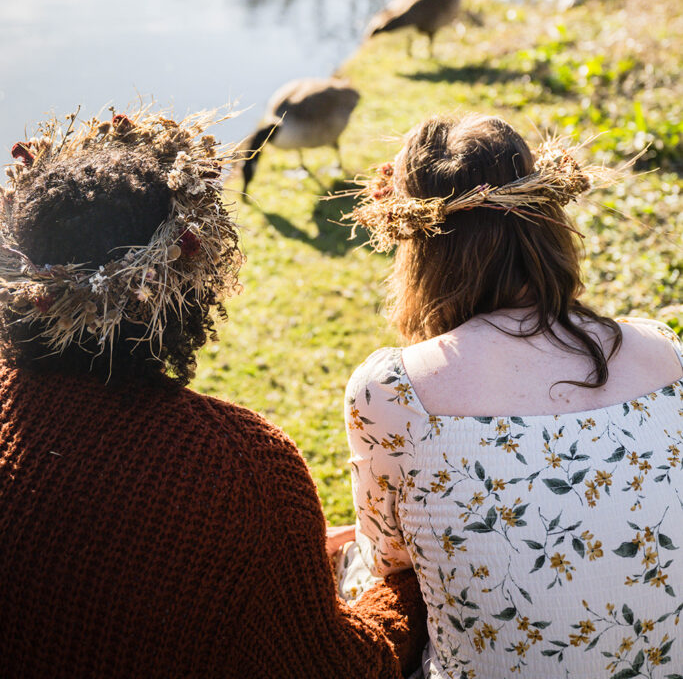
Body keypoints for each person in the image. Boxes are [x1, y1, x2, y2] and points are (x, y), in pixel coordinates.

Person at [0, 108, 425, 679]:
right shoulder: (243, 473)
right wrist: (406, 585)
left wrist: (273, 559)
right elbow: (338, 668)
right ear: (185, 282)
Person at [344, 113, 683, 679]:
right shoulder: (664, 354)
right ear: (546, 220)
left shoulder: (395, 392)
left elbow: (387, 562)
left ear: (419, 251)